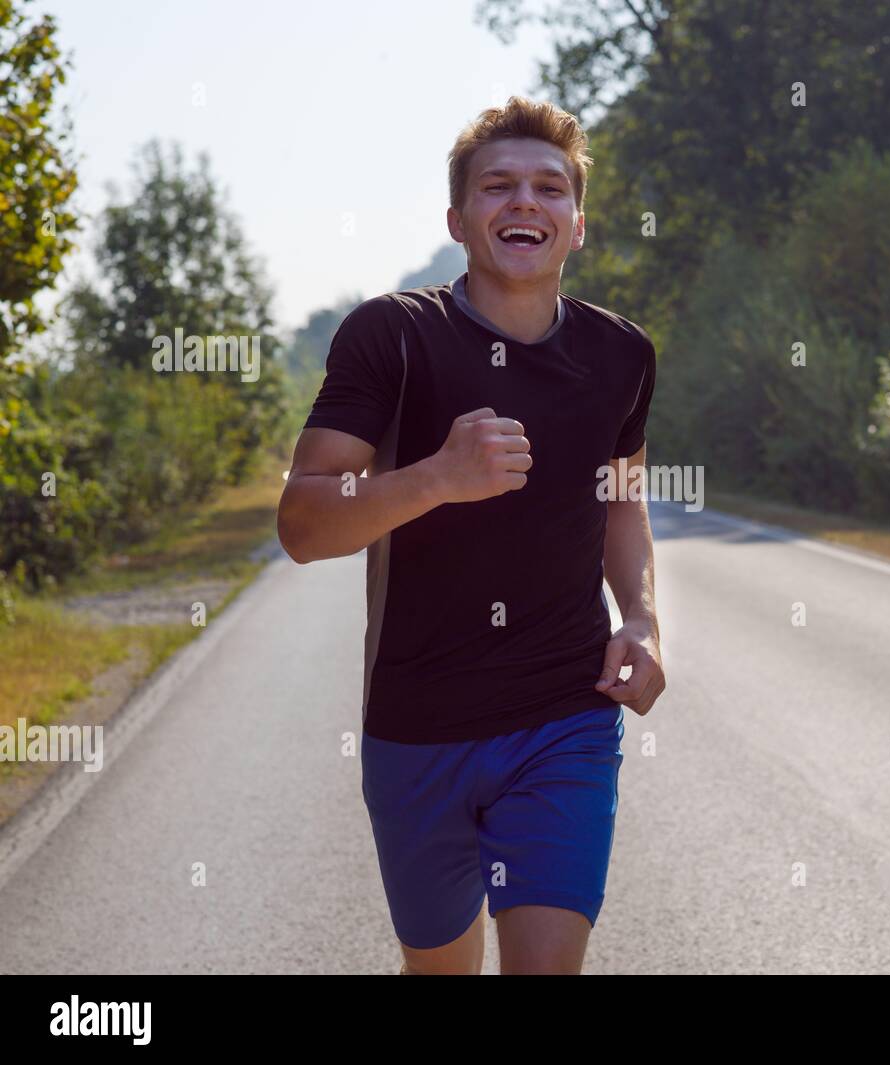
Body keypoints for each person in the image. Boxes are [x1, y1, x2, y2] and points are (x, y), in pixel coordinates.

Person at [277, 96, 665, 974]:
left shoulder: (622, 355)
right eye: (498, 186)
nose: (525, 200)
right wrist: (434, 479)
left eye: (550, 187)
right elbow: (302, 521)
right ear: (458, 220)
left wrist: (641, 617)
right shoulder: (393, 336)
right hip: (418, 726)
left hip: (565, 716)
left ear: (576, 224)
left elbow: (621, 499)